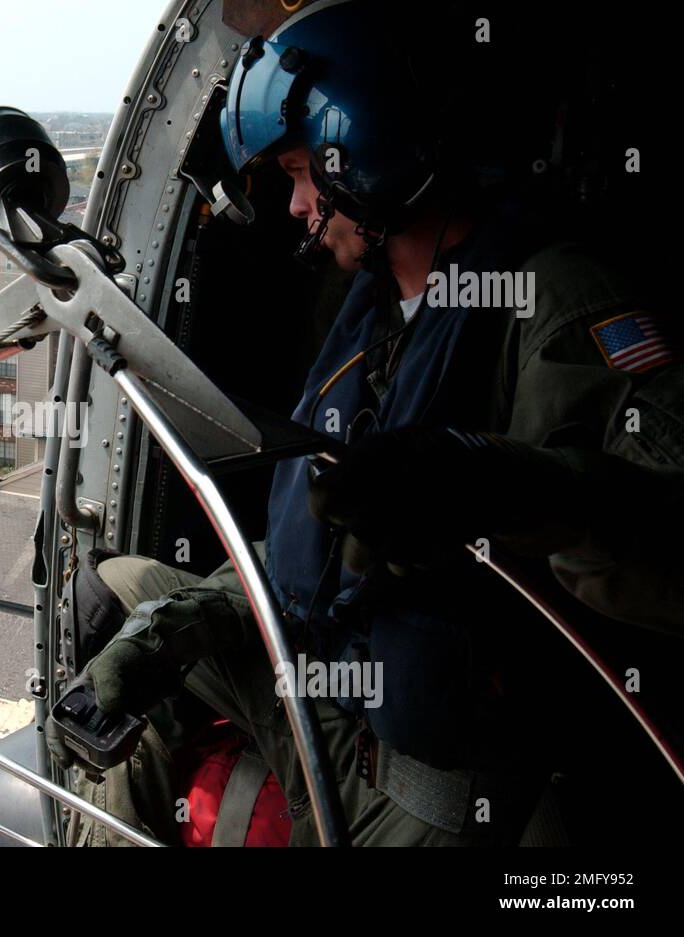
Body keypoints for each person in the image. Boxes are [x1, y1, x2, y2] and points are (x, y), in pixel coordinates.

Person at [48, 0, 684, 846]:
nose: (296, 207)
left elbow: (665, 537)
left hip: (431, 783)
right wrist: (169, 629)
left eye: (304, 173)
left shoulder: (553, 299)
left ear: (367, 143)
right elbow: (307, 550)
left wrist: (492, 482)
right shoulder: (376, 317)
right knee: (119, 597)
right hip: (328, 687)